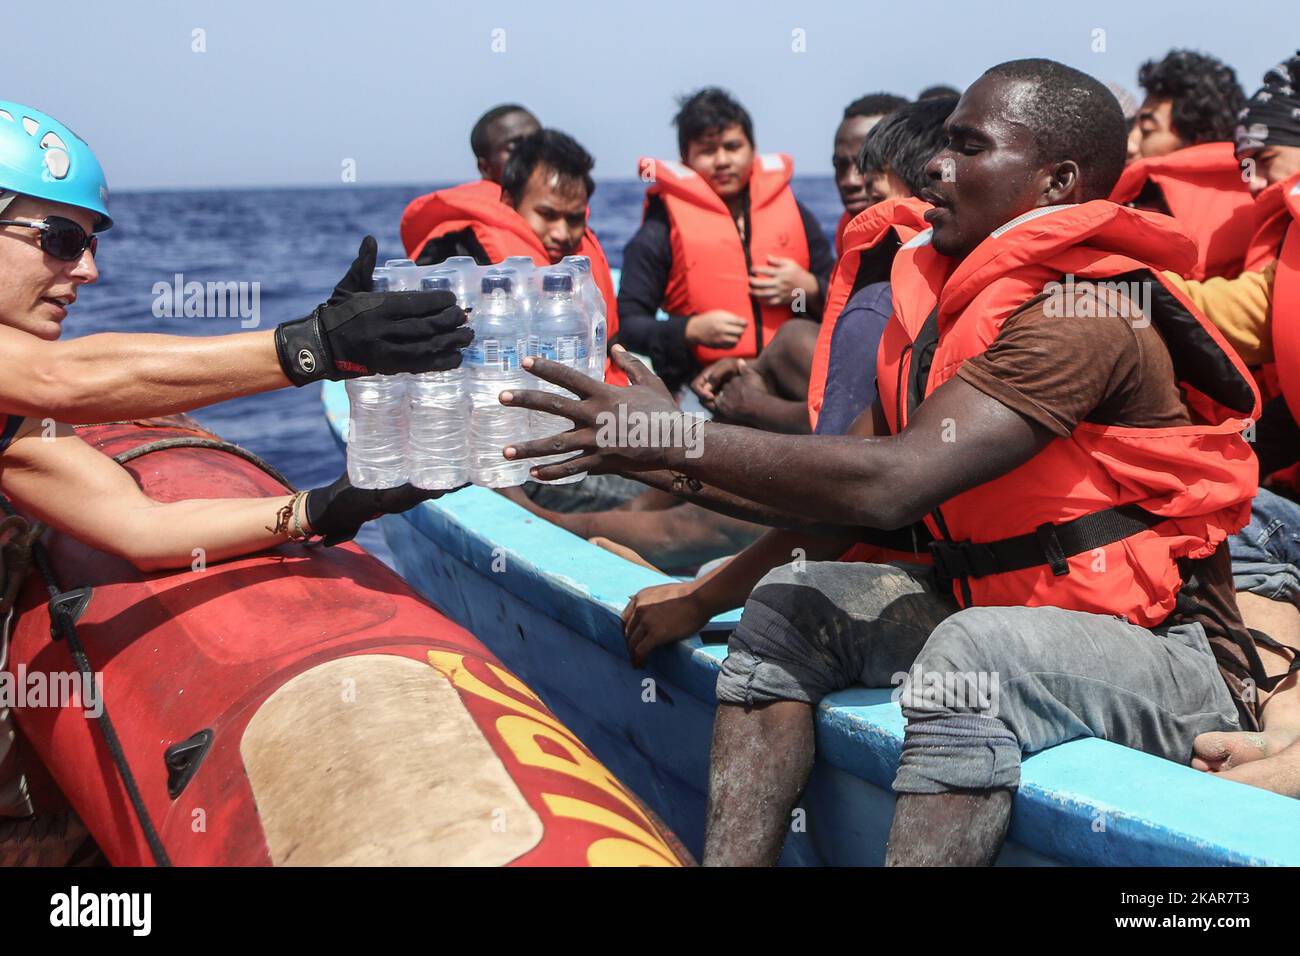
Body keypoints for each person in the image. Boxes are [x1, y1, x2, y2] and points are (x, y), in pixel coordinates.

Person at [503, 58, 1264, 866]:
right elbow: (842, 480)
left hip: (1167, 659)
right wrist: (668, 469)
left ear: (1056, 182)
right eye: (942, 146)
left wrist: (676, 438)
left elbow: (892, 484)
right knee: (793, 599)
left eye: (969, 148)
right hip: (1001, 604)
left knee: (974, 654)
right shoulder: (952, 302)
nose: (935, 166)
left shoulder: (1083, 313)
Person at [0, 100, 472, 857]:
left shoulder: (11, 430)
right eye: (60, 240)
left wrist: (322, 508)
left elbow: (142, 530)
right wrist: (310, 347)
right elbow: (65, 381)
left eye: (89, 243)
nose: (88, 270)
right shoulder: (34, 387)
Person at [617, 88, 834, 395]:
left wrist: (808, 286)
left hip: (789, 379)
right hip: (703, 386)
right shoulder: (659, 229)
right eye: (707, 151)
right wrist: (690, 331)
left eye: (733, 147)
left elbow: (843, 296)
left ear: (752, 149)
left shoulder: (795, 214)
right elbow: (626, 326)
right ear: (686, 158)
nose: (722, 161)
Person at [398, 127, 624, 386]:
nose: (562, 233)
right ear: (508, 201)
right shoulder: (456, 252)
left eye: (574, 219)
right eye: (547, 215)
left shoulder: (582, 257)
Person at [1112, 50, 1252, 279]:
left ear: (1196, 139)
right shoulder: (1262, 203)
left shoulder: (1145, 215)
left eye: (1147, 130)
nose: (1130, 144)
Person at [832, 93, 908, 251]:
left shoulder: (932, 243)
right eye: (840, 164)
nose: (849, 181)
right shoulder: (848, 229)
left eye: (867, 163)